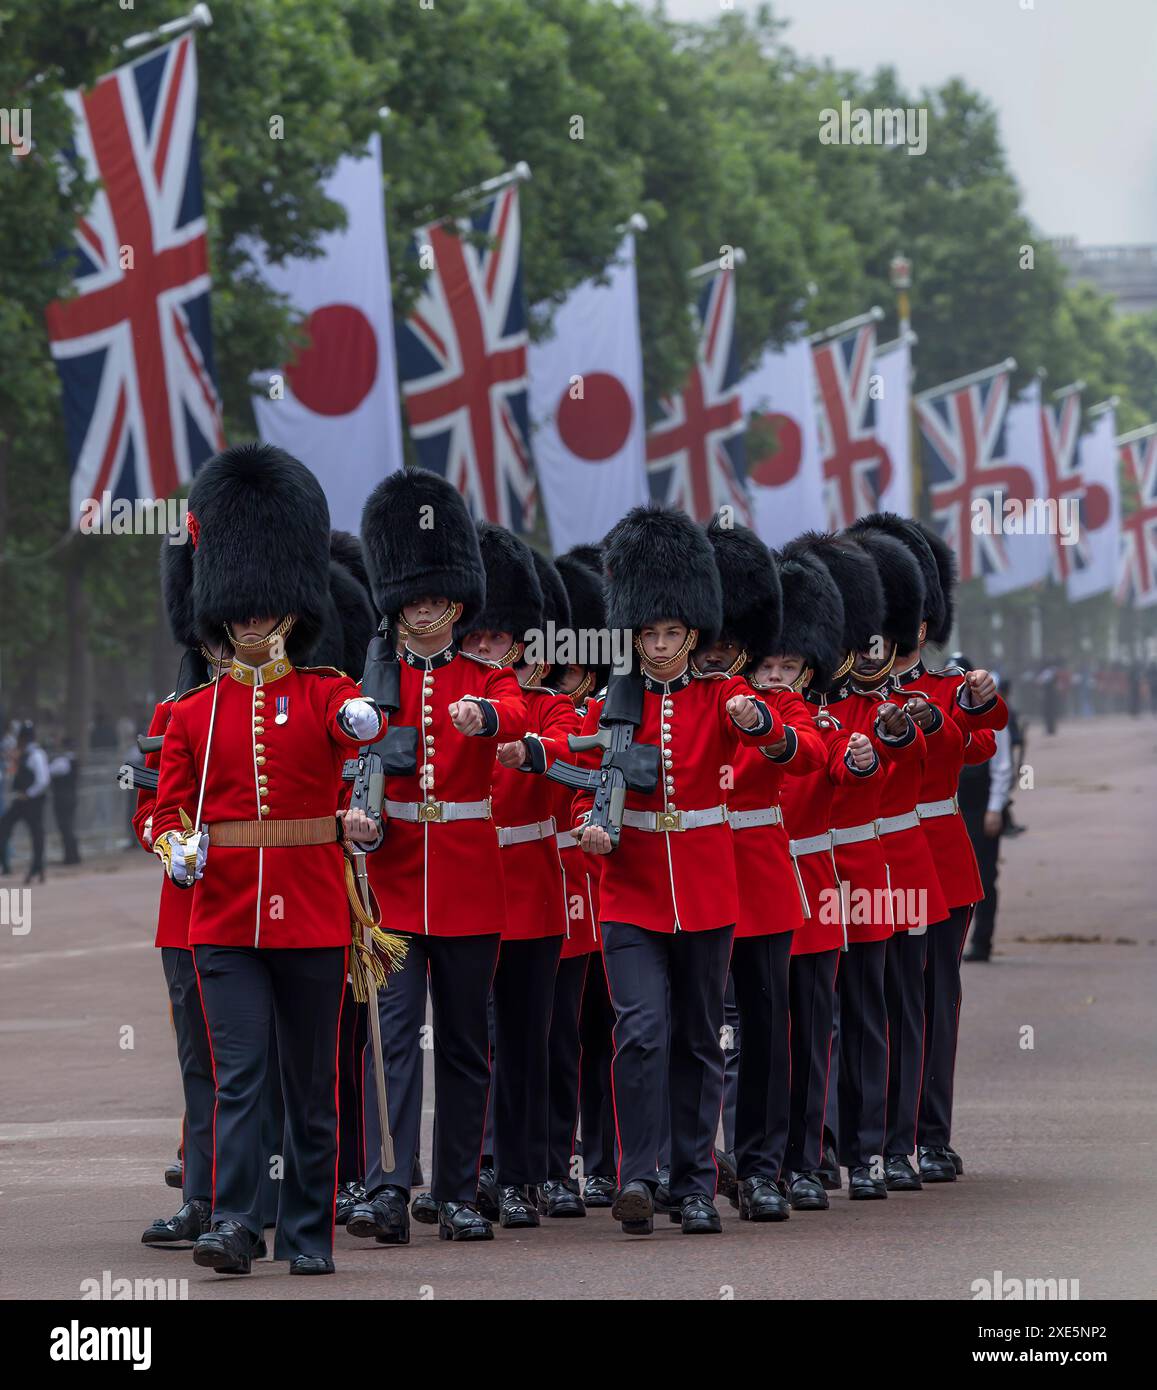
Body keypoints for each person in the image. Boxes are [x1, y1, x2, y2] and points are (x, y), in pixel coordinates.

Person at [150, 442, 385, 1277]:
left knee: (311, 1088)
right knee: (241, 1076)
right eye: (240, 613)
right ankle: (237, 1222)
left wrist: (363, 722)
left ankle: (311, 1231)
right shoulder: (191, 713)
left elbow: (359, 725)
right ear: (223, 613)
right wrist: (175, 843)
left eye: (266, 611)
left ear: (290, 608)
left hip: (313, 913)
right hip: (221, 916)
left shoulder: (324, 692)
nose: (252, 624)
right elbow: (165, 805)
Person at [573, 504, 783, 1237]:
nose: (660, 647)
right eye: (649, 633)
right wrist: (570, 801)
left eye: (671, 634)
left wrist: (765, 727)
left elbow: (769, 729)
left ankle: (694, 1182)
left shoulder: (722, 693)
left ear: (693, 634)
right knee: (640, 1032)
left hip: (703, 889)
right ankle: (637, 1174)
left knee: (697, 1039)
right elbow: (577, 763)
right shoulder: (612, 704)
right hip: (629, 891)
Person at [348, 467, 526, 1246]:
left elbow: (515, 713)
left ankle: (455, 1191)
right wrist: (354, 811)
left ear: (457, 602)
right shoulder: (370, 685)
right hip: (391, 885)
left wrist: (483, 714)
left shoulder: (485, 677)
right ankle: (390, 1183)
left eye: (435, 600)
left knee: (460, 1042)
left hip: (465, 878)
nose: (423, 612)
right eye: (413, 601)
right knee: (390, 1043)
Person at [862, 516, 1007, 1182]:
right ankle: (869, 1135)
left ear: (918, 630)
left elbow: (980, 741)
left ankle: (927, 1133)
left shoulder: (945, 689)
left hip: (936, 856)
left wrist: (950, 712)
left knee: (931, 1000)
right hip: (863, 857)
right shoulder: (842, 694)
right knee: (869, 1003)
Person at [786, 533, 924, 1201]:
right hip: (794, 876)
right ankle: (809, 1148)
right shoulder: (801, 708)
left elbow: (870, 757)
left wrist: (888, 739)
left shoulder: (871, 710)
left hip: (860, 873)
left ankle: (869, 1149)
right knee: (804, 1022)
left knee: (864, 1013)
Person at [697, 518, 824, 1223]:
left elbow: (804, 752)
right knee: (696, 1028)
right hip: (692, 876)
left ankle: (764, 1164)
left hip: (762, 880)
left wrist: (764, 729)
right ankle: (693, 1162)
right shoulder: (671, 699)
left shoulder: (772, 702)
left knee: (765, 1030)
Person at [462, 531, 579, 1229]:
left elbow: (573, 751)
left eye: (496, 638)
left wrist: (536, 752)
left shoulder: (541, 705)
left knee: (532, 1041)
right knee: (468, 1039)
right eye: (475, 638)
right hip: (465, 884)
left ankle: (526, 1169)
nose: (484, 650)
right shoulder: (440, 697)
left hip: (532, 885)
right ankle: (471, 1165)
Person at [542, 551, 613, 1216]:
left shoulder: (591, 719)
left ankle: (603, 1160)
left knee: (599, 1037)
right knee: (544, 1039)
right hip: (536, 894)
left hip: (586, 894)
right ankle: (545, 1158)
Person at [960, 668, 1014, 963]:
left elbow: (1002, 766)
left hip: (984, 808)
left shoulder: (992, 714)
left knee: (985, 876)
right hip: (957, 807)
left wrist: (995, 808)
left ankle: (983, 942)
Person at [0, 721, 50, 884]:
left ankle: (38, 868)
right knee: (4, 826)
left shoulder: (37, 754)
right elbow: (12, 773)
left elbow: (43, 780)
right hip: (21, 800)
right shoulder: (21, 754)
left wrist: (28, 794)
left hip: (32, 801)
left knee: (37, 835)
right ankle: (7, 864)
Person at [48, 736, 81, 866]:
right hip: (71, 796)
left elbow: (49, 771)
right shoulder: (74, 760)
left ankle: (70, 857)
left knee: (65, 828)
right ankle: (73, 855)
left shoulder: (62, 761)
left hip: (62, 798)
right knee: (69, 827)